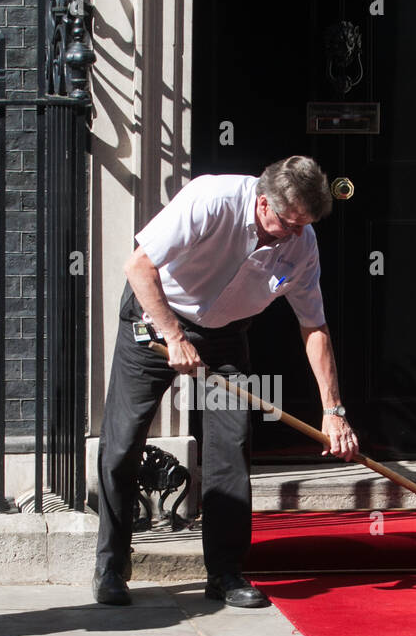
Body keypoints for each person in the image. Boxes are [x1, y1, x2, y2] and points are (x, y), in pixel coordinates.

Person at [94, 156, 359, 608]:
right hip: (156, 318)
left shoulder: (301, 243)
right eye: (289, 223)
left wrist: (333, 411)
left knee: (231, 445)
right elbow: (139, 267)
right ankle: (112, 566)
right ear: (262, 203)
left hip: (226, 337)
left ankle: (224, 572)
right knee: (123, 441)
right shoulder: (210, 199)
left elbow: (313, 326)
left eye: (304, 225)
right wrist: (174, 337)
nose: (296, 234)